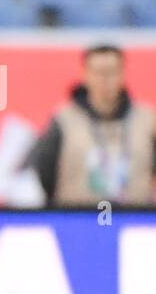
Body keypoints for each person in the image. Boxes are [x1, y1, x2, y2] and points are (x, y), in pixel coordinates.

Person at [24, 44, 155, 206]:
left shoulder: (147, 121)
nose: (105, 80)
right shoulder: (64, 120)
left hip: (133, 221)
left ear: (122, 74)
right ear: (85, 75)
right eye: (99, 72)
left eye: (112, 72)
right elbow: (44, 172)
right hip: (78, 219)